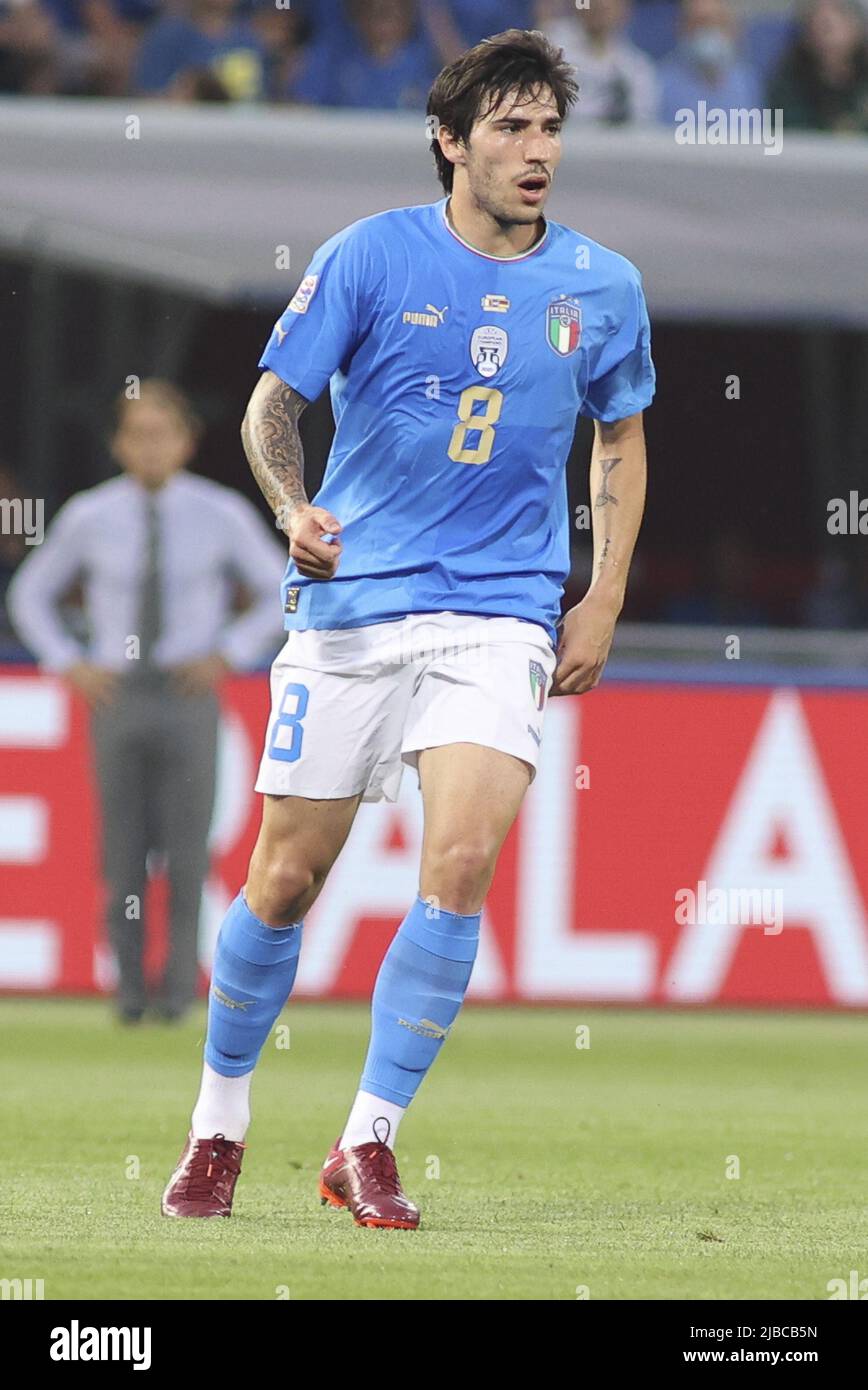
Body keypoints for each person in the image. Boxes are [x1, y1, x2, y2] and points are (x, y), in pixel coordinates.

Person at [162, 27, 654, 1229]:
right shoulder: (369, 257)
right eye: (509, 128)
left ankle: (367, 1141)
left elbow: (621, 438)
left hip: (501, 611)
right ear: (449, 140)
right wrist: (292, 508)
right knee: (284, 881)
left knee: (463, 862)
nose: (536, 151)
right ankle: (218, 1123)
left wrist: (601, 593)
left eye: (549, 129)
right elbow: (272, 408)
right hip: (355, 604)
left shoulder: (601, 284)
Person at [7, 381, 287, 1023]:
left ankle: (180, 993)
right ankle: (129, 991)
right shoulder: (90, 515)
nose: (151, 446)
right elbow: (31, 593)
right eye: (138, 433)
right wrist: (68, 662)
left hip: (188, 693)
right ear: (118, 444)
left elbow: (280, 588)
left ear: (187, 441)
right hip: (119, 694)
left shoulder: (219, 513)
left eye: (163, 433)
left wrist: (230, 652)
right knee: (121, 850)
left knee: (188, 850)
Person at [289, 0, 436, 110]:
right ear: (359, 16)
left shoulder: (426, 64)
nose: (381, 23)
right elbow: (303, 108)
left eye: (390, 13)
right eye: (375, 12)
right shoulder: (337, 59)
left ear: (407, 17)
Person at [544, 0, 660, 123]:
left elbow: (642, 126)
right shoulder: (547, 48)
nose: (599, 4)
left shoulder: (637, 68)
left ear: (626, 8)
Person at [133, 0, 267, 100]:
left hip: (243, 133)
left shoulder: (252, 40)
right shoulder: (167, 36)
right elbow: (146, 99)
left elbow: (267, 102)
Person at [769, 0, 868, 133]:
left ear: (856, 27)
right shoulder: (790, 78)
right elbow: (790, 131)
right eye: (815, 25)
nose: (825, 37)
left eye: (829, 27)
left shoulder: (863, 77)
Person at [658, 0, 762, 124]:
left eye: (716, 23)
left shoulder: (746, 83)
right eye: (700, 24)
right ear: (683, 28)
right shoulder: (660, 83)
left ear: (733, 30)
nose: (708, 31)